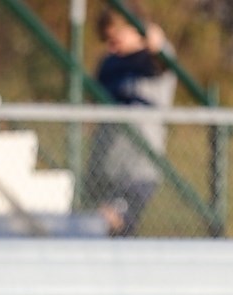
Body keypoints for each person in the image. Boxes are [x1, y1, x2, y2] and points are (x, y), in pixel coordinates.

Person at [84, 1, 177, 236]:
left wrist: (156, 42)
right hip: (104, 166)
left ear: (135, 30)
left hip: (139, 169)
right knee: (107, 234)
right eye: (108, 41)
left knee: (116, 221)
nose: (111, 48)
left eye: (116, 39)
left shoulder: (152, 60)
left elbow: (162, 61)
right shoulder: (108, 63)